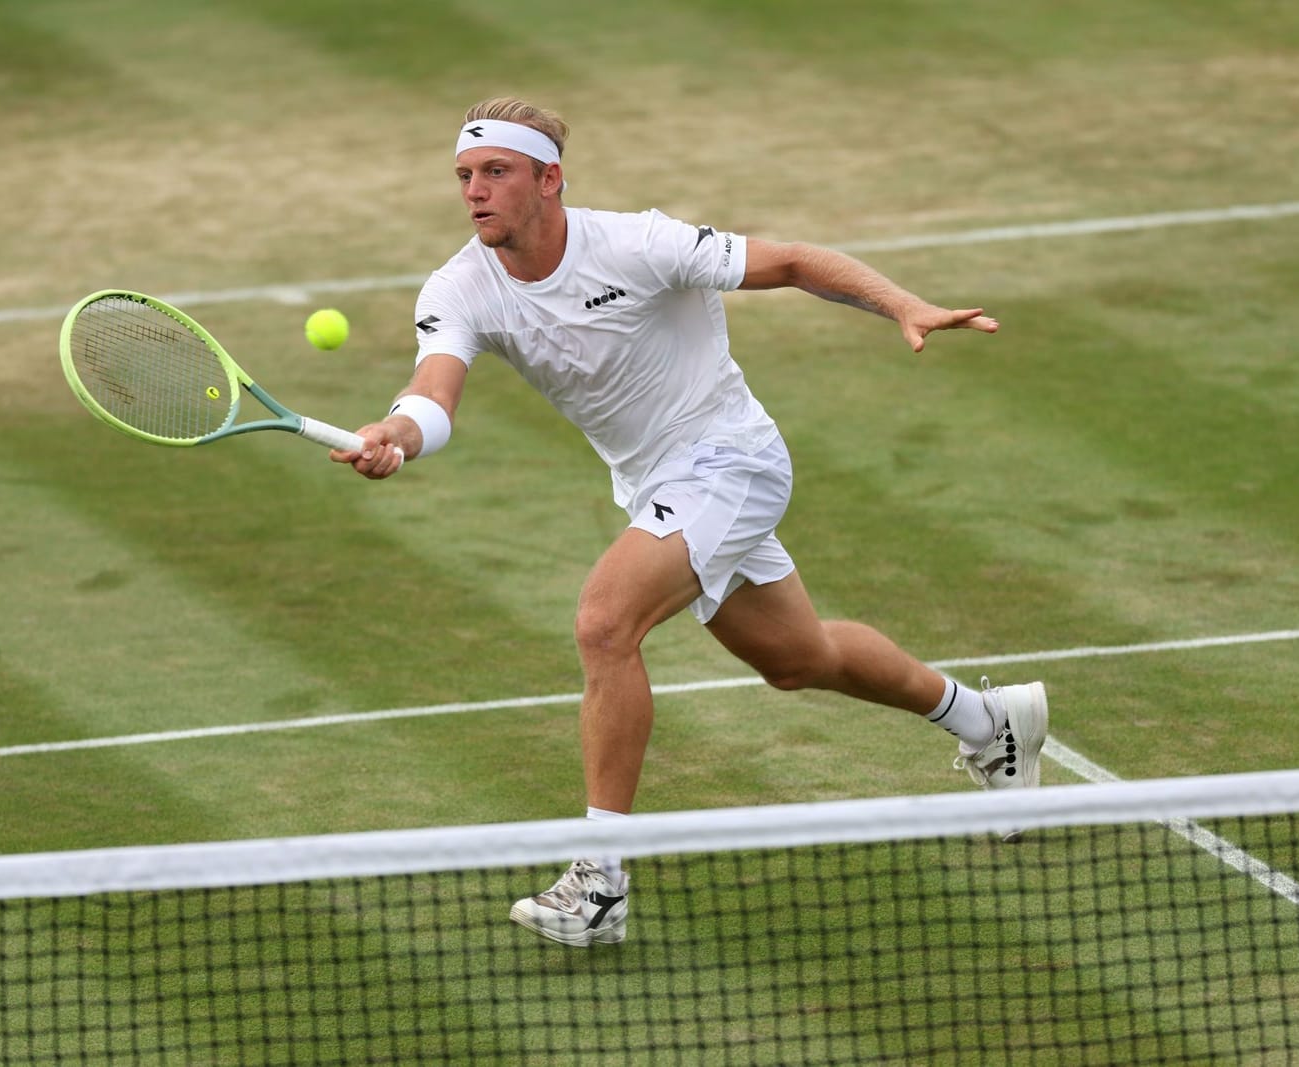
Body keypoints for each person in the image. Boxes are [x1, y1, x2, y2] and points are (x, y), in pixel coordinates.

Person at [331, 97, 1049, 948]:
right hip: (654, 483)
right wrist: (398, 438)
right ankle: (987, 719)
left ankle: (600, 881)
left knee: (605, 623)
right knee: (797, 657)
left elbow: (787, 261)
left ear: (548, 179)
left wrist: (900, 304)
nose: (476, 191)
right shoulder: (460, 287)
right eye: (464, 176)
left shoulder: (638, 242)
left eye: (496, 172)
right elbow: (433, 393)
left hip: (730, 458)